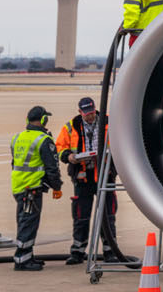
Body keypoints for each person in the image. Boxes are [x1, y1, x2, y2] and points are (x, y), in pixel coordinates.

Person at [55, 95, 130, 265]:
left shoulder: (110, 122)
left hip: (105, 174)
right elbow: (60, 147)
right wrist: (69, 156)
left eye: (91, 112)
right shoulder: (71, 127)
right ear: (80, 112)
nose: (89, 116)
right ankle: (78, 251)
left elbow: (123, 141)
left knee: (107, 215)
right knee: (81, 216)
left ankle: (110, 250)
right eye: (86, 113)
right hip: (83, 177)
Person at [10, 106, 63, 271]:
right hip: (31, 188)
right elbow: (52, 167)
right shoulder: (43, 140)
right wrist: (57, 186)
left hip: (18, 186)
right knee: (29, 223)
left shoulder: (17, 138)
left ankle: (27, 255)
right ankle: (22, 260)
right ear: (43, 120)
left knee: (23, 220)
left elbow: (14, 162)